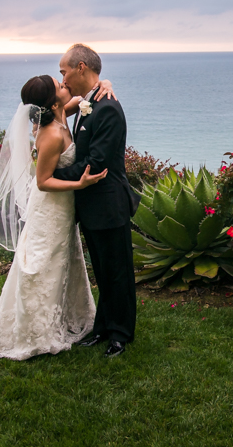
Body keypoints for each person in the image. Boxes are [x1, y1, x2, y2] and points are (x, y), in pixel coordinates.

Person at [0, 74, 115, 360]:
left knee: (61, 261)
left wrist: (106, 84)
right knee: (40, 264)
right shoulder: (51, 134)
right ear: (53, 101)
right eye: (61, 86)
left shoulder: (61, 113)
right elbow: (43, 181)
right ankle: (34, 332)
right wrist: (79, 184)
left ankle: (62, 318)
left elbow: (86, 97)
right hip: (50, 207)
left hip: (63, 208)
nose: (66, 86)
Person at [53, 43, 139, 358]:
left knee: (118, 272)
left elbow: (97, 163)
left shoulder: (108, 108)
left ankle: (121, 334)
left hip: (109, 202)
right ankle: (103, 327)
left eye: (64, 72)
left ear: (80, 67)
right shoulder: (88, 102)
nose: (62, 81)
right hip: (91, 205)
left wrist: (51, 176)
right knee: (102, 271)